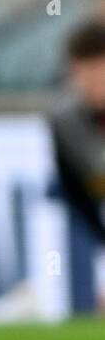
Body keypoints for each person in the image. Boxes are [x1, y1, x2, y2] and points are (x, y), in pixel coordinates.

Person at [47, 20, 105, 280]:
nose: (94, 78)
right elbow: (73, 187)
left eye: (100, 67)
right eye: (86, 69)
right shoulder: (64, 120)